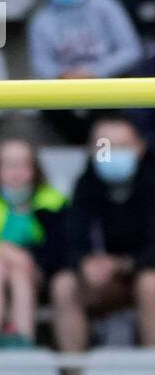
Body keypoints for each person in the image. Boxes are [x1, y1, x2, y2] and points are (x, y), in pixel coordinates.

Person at [50, 114, 155, 352]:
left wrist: (122, 264)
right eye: (104, 146)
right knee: (63, 285)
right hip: (103, 284)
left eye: (120, 147)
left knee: (150, 284)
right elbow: (68, 242)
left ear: (140, 147)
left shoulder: (151, 182)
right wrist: (84, 263)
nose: (111, 154)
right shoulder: (85, 185)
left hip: (143, 276)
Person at [29, 0, 145, 143]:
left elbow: (131, 50)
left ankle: (106, 148)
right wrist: (64, 76)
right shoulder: (42, 20)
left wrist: (94, 73)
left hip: (106, 88)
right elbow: (42, 64)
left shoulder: (106, 5)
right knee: (50, 106)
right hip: (64, 91)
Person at [0, 138, 68, 348]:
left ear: (35, 170)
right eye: (9, 165)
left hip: (38, 275)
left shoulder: (53, 203)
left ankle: (22, 338)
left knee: (18, 269)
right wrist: (3, 251)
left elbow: (60, 252)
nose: (16, 173)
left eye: (22, 165)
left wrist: (22, 257)